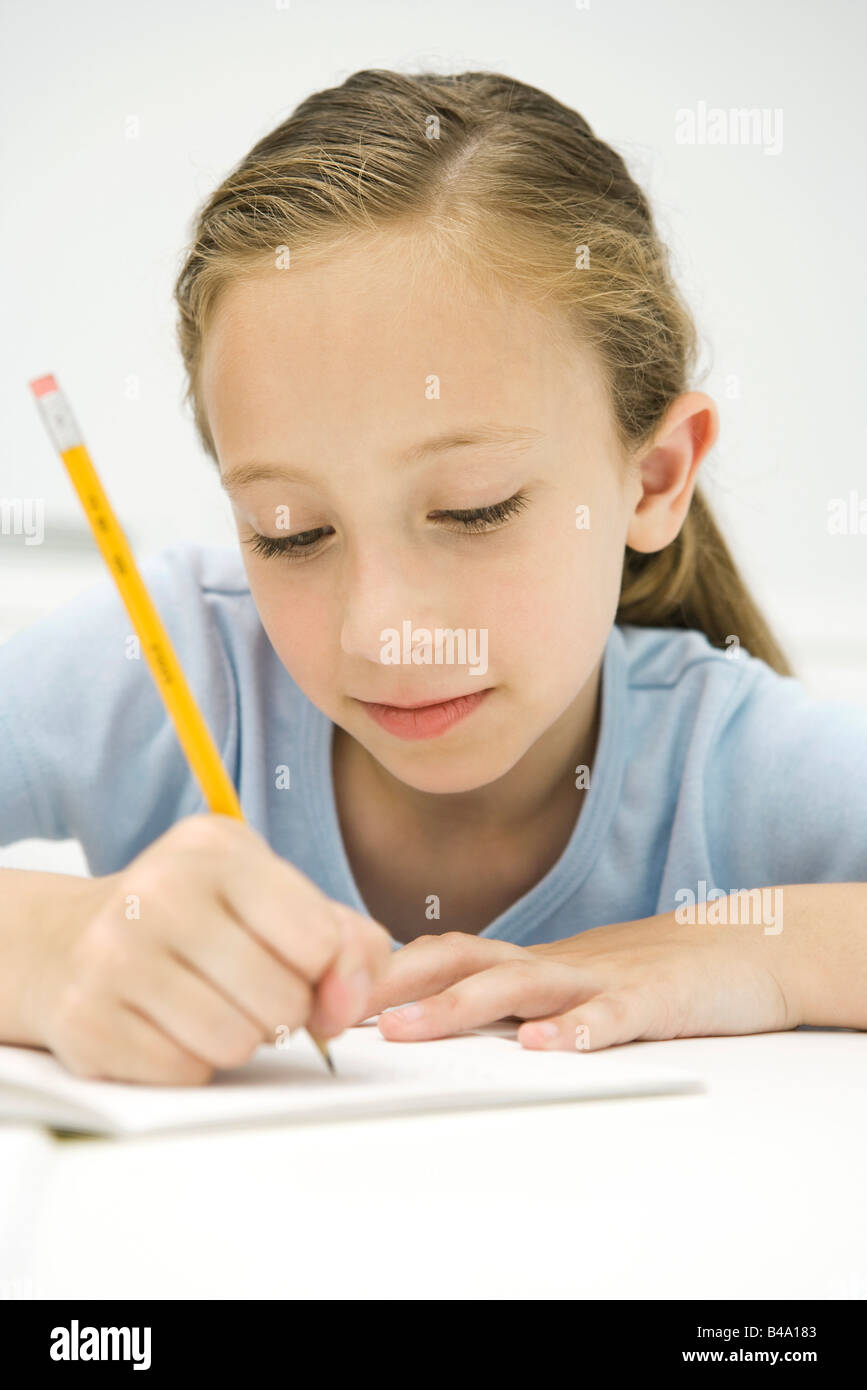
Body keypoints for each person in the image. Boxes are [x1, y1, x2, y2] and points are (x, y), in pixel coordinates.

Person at [1, 69, 865, 1083]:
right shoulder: (159, 663)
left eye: (474, 511)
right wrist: (46, 950)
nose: (383, 630)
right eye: (290, 531)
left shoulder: (737, 766)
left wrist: (767, 950)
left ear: (654, 477)